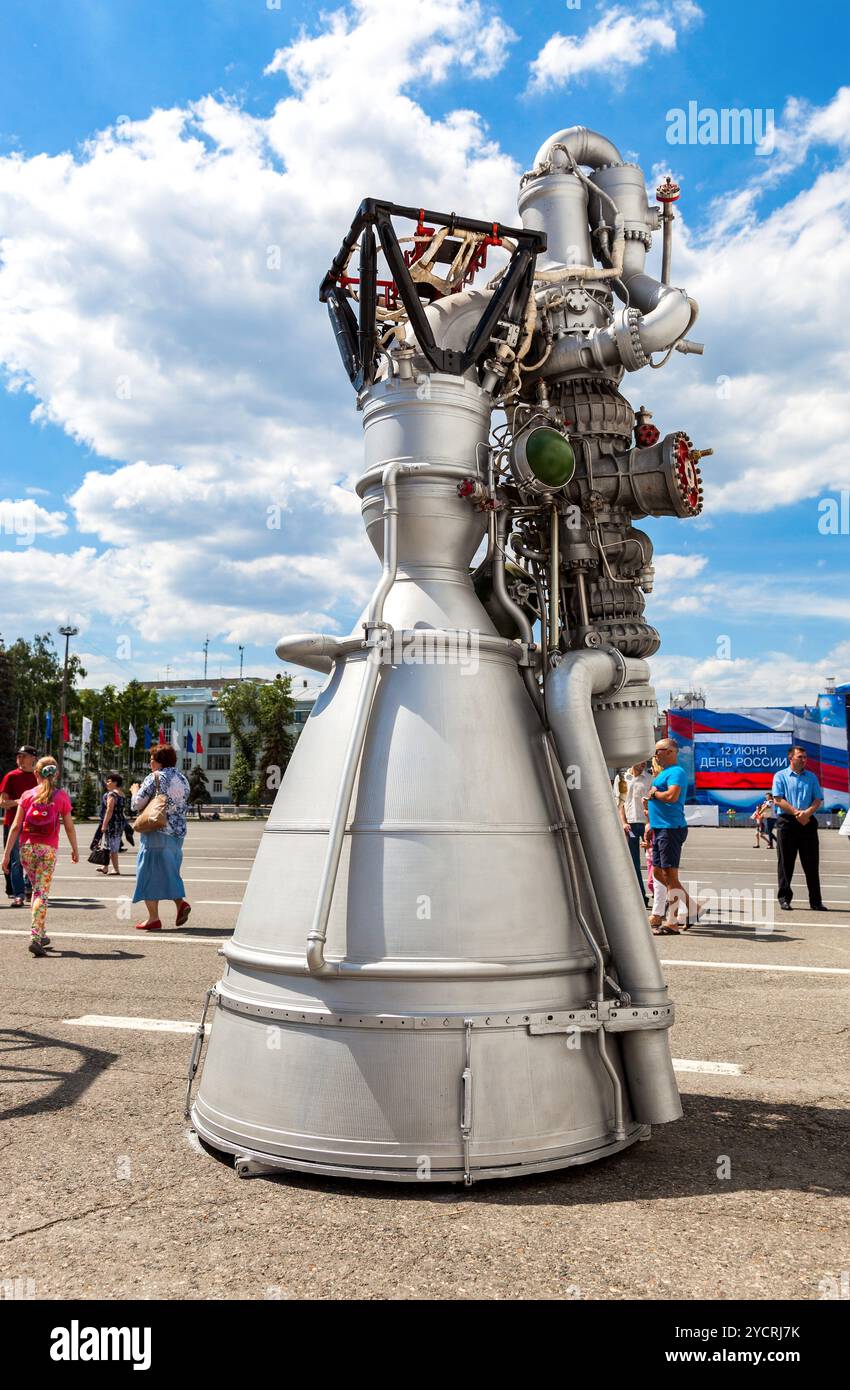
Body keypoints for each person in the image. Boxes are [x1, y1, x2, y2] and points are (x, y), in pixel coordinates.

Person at [1, 756, 78, 956]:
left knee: (36, 891)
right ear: (57, 773)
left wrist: (7, 854)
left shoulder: (27, 795)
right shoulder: (61, 796)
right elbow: (69, 827)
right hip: (48, 850)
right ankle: (35, 936)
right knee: (41, 893)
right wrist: (75, 849)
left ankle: (42, 933)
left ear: (36, 773)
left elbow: (16, 826)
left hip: (26, 849)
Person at [129, 744, 191, 931]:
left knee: (147, 873)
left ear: (159, 761)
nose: (150, 763)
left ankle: (153, 918)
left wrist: (134, 791)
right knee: (169, 872)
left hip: (157, 830)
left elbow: (137, 804)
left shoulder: (155, 777)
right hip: (177, 833)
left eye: (151, 760)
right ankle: (180, 904)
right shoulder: (182, 778)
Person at [643, 737, 701, 934]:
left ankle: (673, 921)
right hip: (661, 828)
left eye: (658, 750)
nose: (655, 754)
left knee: (669, 875)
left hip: (671, 828)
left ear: (670, 751)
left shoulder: (676, 772)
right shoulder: (664, 773)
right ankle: (692, 907)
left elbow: (671, 796)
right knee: (659, 873)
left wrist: (653, 794)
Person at [772, 746, 825, 911]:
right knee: (786, 863)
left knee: (811, 863)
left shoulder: (811, 777)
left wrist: (806, 813)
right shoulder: (780, 776)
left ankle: (816, 901)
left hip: (807, 821)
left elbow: (817, 799)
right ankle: (784, 898)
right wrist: (796, 813)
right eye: (800, 757)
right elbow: (778, 799)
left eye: (805, 757)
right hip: (787, 822)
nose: (804, 760)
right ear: (791, 758)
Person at [0, 745, 38, 906]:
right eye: (18, 756)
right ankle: (19, 894)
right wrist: (20, 802)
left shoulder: (39, 777)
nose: (20, 759)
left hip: (35, 825)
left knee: (33, 859)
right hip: (14, 823)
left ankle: (29, 888)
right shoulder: (11, 776)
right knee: (16, 860)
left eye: (24, 756)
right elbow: (2, 803)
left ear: (33, 758)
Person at [614, 761, 653, 904]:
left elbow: (651, 803)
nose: (643, 763)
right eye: (640, 760)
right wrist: (623, 822)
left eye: (645, 761)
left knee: (653, 862)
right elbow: (620, 803)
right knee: (633, 864)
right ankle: (640, 896)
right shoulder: (622, 778)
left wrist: (650, 823)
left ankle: (657, 895)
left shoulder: (649, 779)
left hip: (646, 824)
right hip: (629, 825)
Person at [96, 771, 126, 876]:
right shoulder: (122, 794)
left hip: (112, 822)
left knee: (112, 846)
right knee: (109, 844)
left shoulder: (112, 794)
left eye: (109, 781)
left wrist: (104, 824)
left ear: (115, 782)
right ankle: (105, 866)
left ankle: (116, 869)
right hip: (120, 821)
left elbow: (109, 810)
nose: (107, 783)